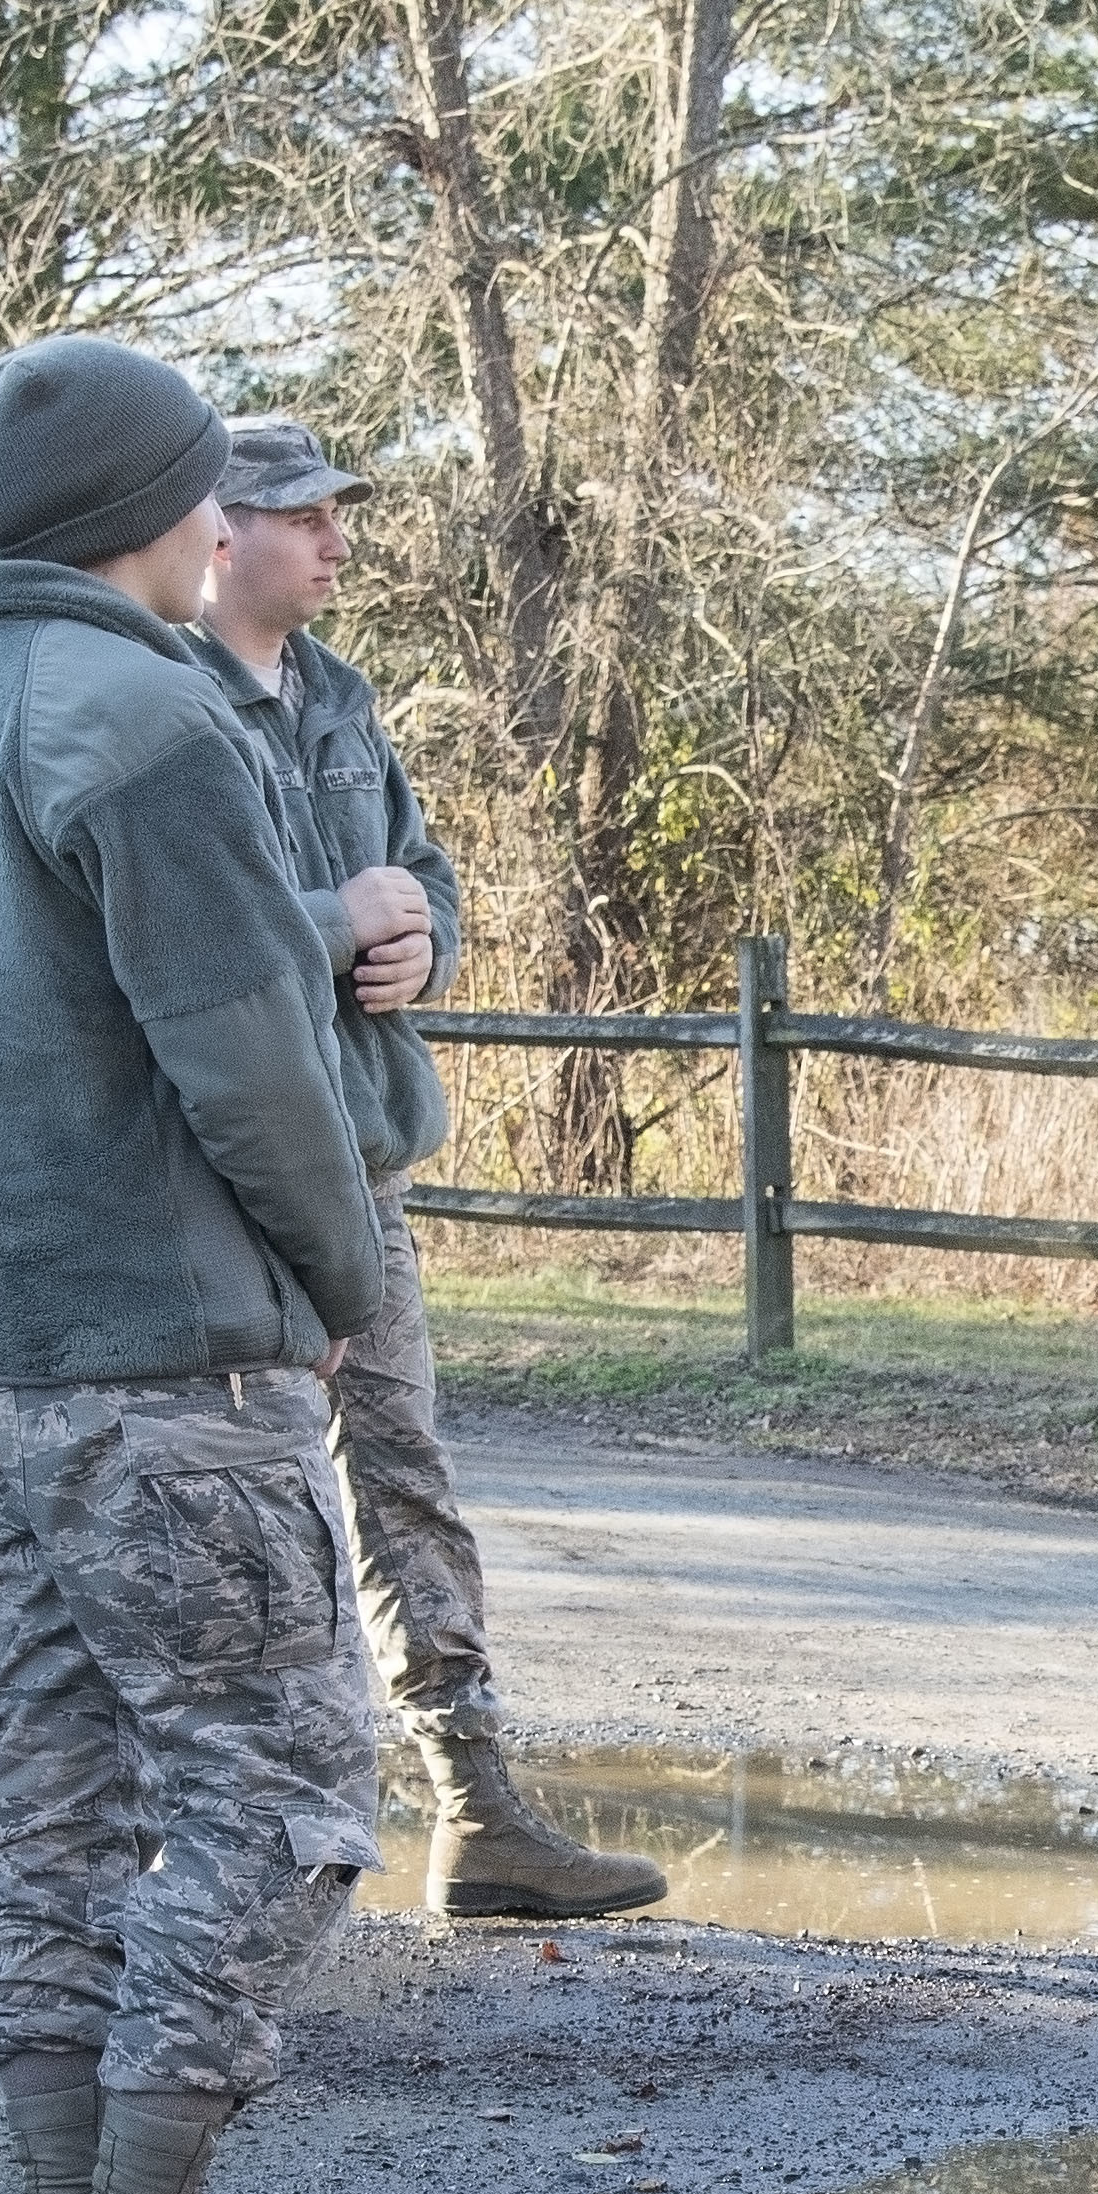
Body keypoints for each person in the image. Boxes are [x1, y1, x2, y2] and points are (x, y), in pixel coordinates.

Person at [0, 338, 388, 2194]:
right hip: (162, 1353)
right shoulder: (154, 721)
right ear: (161, 509)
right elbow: (252, 1059)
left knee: (53, 1777)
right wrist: (339, 1280)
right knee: (278, 1782)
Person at [196, 414, 664, 1923]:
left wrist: (422, 946)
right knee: (241, 1501)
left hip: (366, 1157)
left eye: (339, 512)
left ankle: (479, 1812)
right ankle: (239, 1844)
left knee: (405, 1477)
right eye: (304, 515)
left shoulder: (337, 697)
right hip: (221, 1176)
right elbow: (193, 949)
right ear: (217, 528)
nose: (335, 540)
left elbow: (423, 872)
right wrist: (332, 926)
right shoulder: (164, 699)